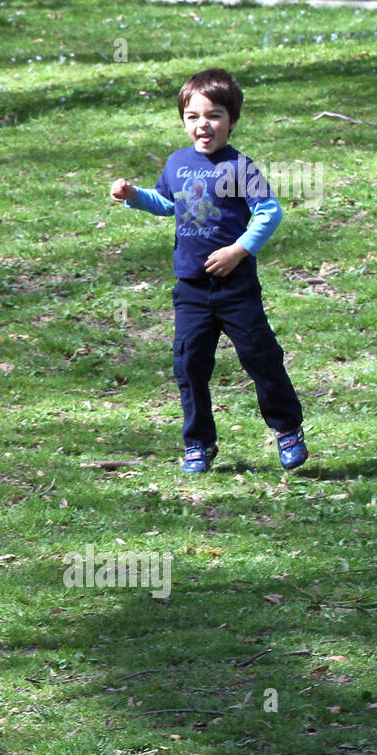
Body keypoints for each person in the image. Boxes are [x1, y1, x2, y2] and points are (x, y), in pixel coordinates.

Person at [109, 68, 307, 474]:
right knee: (189, 365)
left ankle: (287, 428)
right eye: (193, 116)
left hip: (236, 287)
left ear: (232, 120)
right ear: (183, 120)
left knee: (261, 357)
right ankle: (198, 442)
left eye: (214, 115)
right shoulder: (177, 163)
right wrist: (133, 196)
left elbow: (269, 212)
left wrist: (238, 250)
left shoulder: (239, 167)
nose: (204, 125)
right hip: (192, 288)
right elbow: (166, 203)